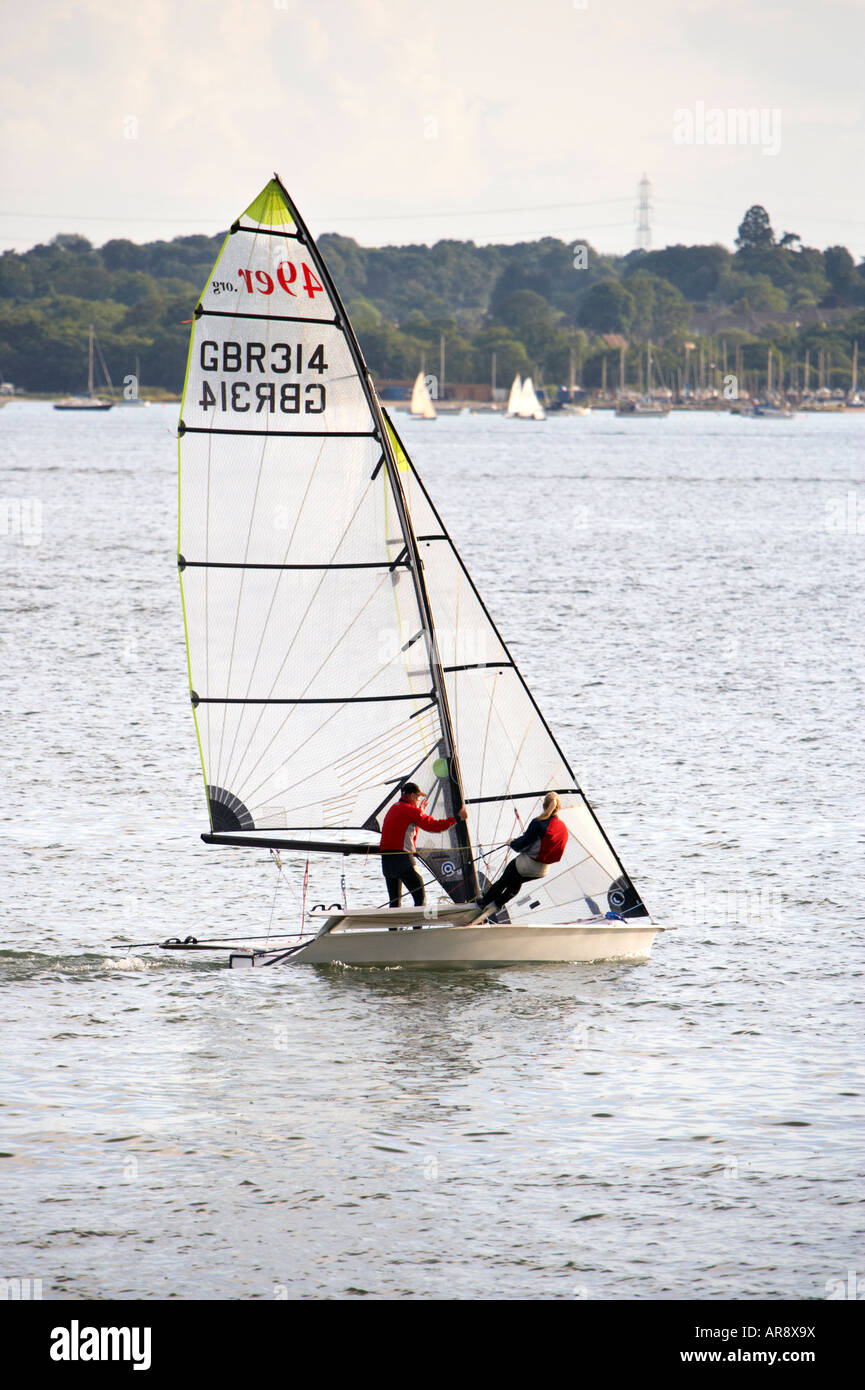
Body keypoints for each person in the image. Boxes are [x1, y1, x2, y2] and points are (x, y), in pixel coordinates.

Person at [380, 782, 469, 919]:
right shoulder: (411, 811)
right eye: (417, 797)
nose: (418, 800)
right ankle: (417, 932)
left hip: (387, 861)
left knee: (394, 902)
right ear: (410, 795)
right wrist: (457, 818)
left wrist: (419, 811)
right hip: (403, 860)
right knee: (420, 898)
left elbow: (405, 826)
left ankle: (394, 934)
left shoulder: (393, 808)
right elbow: (434, 826)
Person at [475, 792, 568, 914]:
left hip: (527, 865)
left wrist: (512, 842)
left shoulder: (538, 823)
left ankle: (483, 902)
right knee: (516, 881)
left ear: (544, 806)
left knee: (504, 880)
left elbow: (522, 845)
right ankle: (499, 903)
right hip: (543, 871)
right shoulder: (563, 828)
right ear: (559, 807)